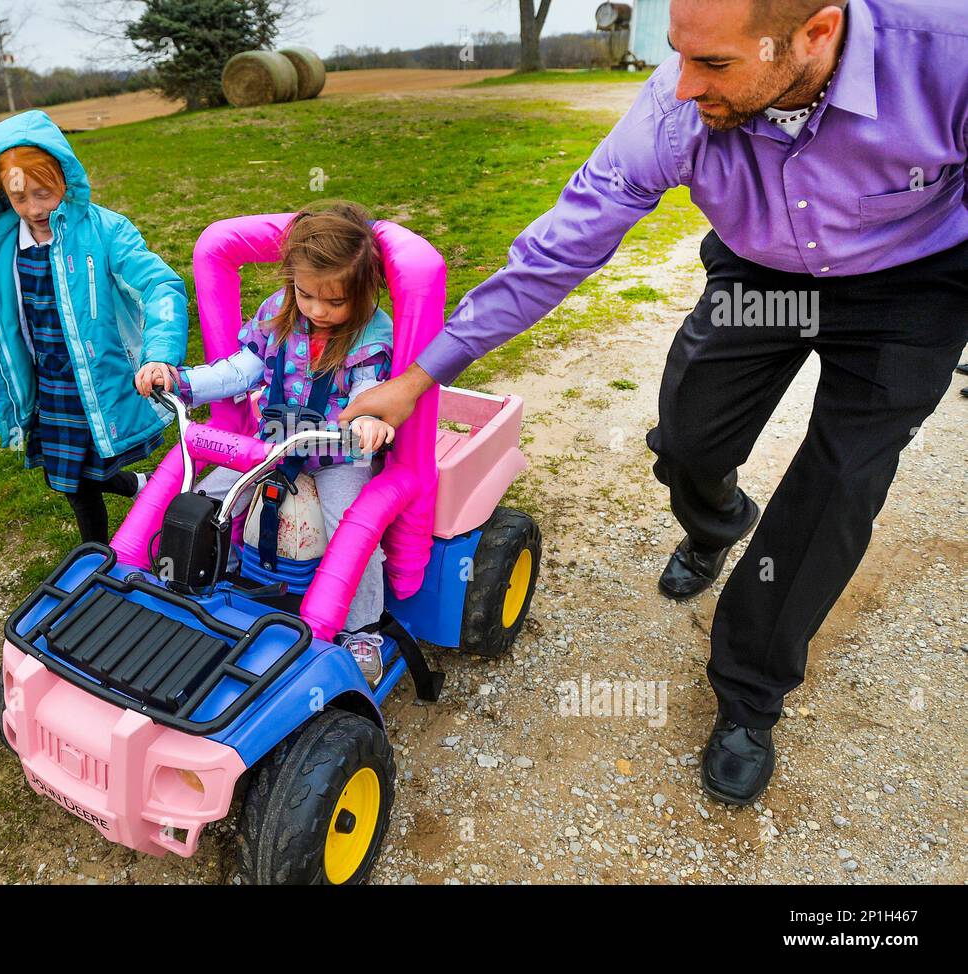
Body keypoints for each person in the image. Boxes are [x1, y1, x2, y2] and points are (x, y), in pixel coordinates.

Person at [341, 0, 968, 804]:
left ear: (817, 31)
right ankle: (718, 523)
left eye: (713, 65)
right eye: (677, 54)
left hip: (911, 282)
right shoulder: (673, 112)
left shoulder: (946, 53)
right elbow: (561, 248)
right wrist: (419, 376)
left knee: (841, 481)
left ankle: (749, 694)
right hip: (763, 275)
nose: (680, 86)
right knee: (687, 439)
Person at [141, 201, 396, 685]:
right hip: (274, 443)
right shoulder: (278, 316)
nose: (319, 311)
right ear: (291, 282)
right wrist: (180, 380)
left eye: (335, 301)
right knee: (210, 497)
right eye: (307, 295)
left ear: (365, 290)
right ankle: (208, 574)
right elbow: (242, 369)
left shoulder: (369, 335)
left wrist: (368, 419)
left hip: (337, 452)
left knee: (352, 528)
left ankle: (362, 628)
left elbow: (369, 391)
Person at [0, 111, 188, 544]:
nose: (35, 209)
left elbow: (161, 286)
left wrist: (160, 353)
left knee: (82, 477)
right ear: (4, 195)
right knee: (69, 476)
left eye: (45, 193)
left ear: (67, 177)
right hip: (49, 383)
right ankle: (128, 498)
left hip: (97, 380)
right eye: (20, 198)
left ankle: (93, 555)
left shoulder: (105, 231)